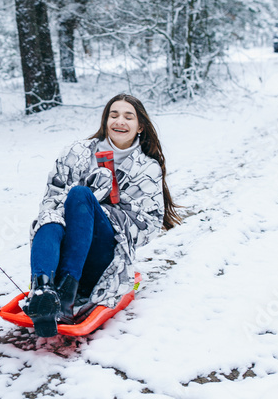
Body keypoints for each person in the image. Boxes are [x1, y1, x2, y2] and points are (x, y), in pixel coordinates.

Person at [25, 94, 180, 337]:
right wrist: (70, 209)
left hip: (102, 256)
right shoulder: (76, 152)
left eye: (129, 116)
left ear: (140, 126)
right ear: (105, 120)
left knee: (80, 195)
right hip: (64, 246)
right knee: (49, 219)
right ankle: (43, 292)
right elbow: (50, 197)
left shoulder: (146, 168)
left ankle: (66, 297)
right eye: (114, 115)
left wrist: (100, 207)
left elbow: (149, 226)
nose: (120, 121)